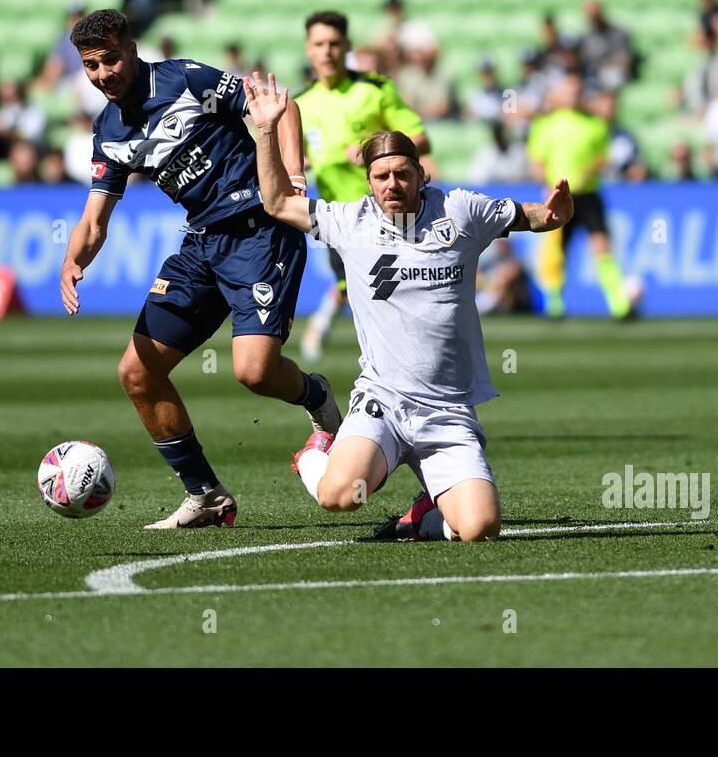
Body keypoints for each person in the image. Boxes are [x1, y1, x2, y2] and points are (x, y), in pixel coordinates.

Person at [246, 78, 574, 542]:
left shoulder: (461, 212)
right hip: (383, 403)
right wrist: (265, 131)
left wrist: (555, 214)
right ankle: (315, 453)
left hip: (448, 411)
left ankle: (421, 518)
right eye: (382, 176)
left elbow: (531, 215)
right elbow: (278, 202)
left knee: (480, 528)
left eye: (402, 174)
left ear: (422, 175)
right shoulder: (349, 222)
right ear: (369, 182)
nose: (393, 184)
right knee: (341, 496)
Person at [58, 9, 341, 529]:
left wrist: (294, 178)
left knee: (254, 372)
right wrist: (73, 261)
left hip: (259, 230)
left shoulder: (185, 79)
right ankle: (206, 494)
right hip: (201, 243)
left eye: (111, 59)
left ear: (132, 49)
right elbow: (94, 221)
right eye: (91, 65)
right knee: (137, 373)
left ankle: (317, 395)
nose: (103, 74)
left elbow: (282, 108)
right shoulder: (108, 133)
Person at [293, 10, 430, 362]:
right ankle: (383, 360)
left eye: (334, 43)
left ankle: (337, 335)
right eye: (319, 44)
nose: (327, 52)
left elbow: (420, 139)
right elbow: (293, 159)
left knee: (392, 289)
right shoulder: (302, 104)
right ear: (308, 49)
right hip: (338, 216)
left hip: (389, 209)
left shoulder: (375, 90)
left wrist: (373, 152)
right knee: (356, 288)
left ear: (347, 47)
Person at [527, 70, 641, 320]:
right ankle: (554, 304)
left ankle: (619, 303)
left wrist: (588, 172)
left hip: (587, 195)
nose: (573, 95)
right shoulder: (545, 126)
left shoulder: (595, 126)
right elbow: (538, 163)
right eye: (569, 90)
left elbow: (602, 158)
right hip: (557, 198)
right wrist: (546, 187)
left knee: (601, 246)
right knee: (556, 252)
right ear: (559, 94)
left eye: (577, 91)